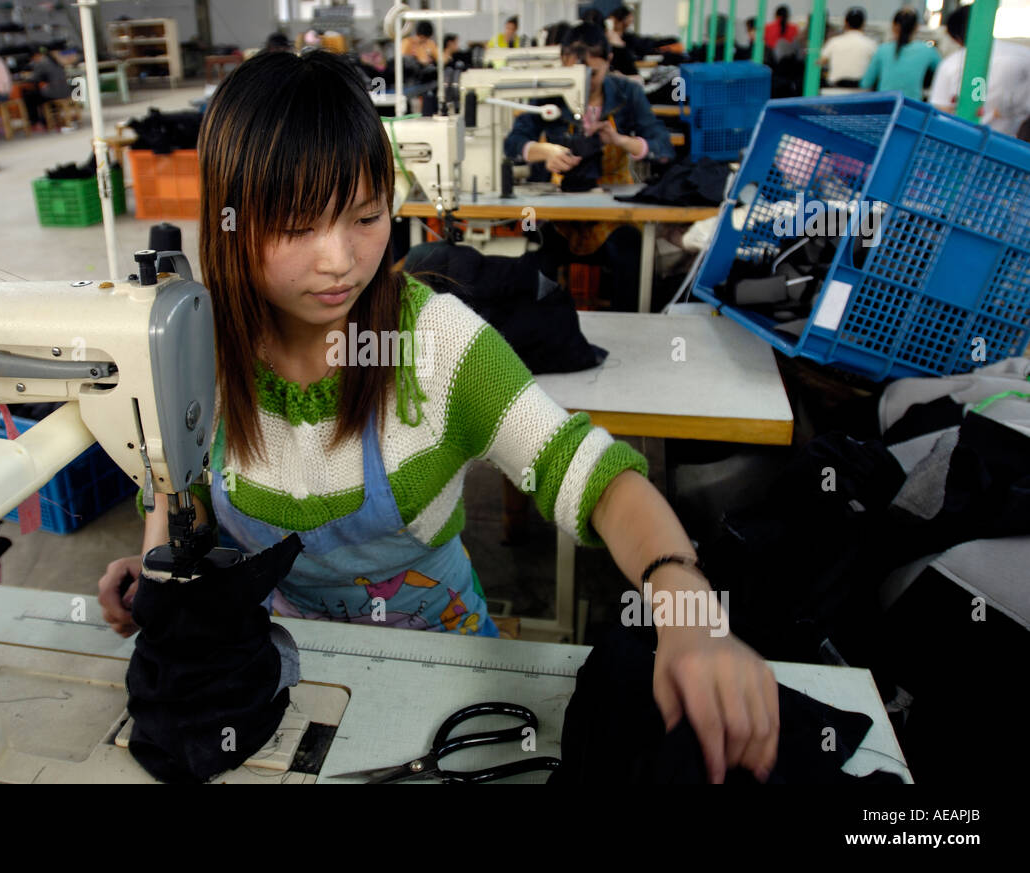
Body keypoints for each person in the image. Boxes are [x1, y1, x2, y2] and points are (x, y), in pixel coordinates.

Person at [97, 49, 780, 783]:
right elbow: (180, 494)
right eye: (297, 227)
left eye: (364, 216)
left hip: (447, 665)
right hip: (292, 669)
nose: (340, 260)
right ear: (231, 224)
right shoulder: (197, 355)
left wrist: (683, 599)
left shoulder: (435, 343)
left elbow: (594, 476)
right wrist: (160, 562)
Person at [504, 35, 674, 313]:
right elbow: (513, 144)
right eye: (576, 74)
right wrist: (545, 152)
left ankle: (627, 329)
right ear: (563, 65)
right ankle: (546, 332)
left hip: (612, 215)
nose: (584, 82)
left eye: (592, 73)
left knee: (631, 251)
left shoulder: (627, 93)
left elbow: (663, 146)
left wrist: (620, 140)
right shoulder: (551, 92)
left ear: (608, 61)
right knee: (537, 256)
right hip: (563, 214)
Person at [930, 3, 1030, 137]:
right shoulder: (1024, 55)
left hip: (963, 143)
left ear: (957, 38)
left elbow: (940, 112)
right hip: (1015, 145)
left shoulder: (951, 64)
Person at [859, 8, 940, 101]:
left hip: (885, 106)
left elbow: (866, 83)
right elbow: (942, 73)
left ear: (893, 26)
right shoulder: (927, 50)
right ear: (917, 27)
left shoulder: (882, 49)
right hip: (913, 107)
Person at [819, 7, 877, 87]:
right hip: (861, 92)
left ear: (845, 22)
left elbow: (821, 62)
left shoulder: (834, 42)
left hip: (834, 91)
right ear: (863, 24)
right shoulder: (871, 44)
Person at [22, 47, 72, 129]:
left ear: (35, 56)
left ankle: (36, 122)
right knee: (38, 95)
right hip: (66, 91)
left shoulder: (42, 63)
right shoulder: (53, 60)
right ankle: (52, 119)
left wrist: (25, 76)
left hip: (55, 93)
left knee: (29, 97)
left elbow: (34, 78)